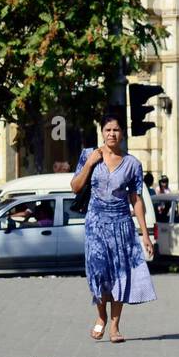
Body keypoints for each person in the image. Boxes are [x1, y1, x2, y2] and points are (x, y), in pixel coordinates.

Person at [70, 111, 156, 343]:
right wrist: (89, 164)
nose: (111, 134)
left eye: (116, 130)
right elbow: (75, 187)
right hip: (96, 224)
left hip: (122, 226)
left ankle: (115, 327)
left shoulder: (132, 164)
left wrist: (145, 235)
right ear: (102, 132)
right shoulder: (89, 155)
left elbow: (136, 200)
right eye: (107, 130)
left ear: (122, 134)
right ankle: (101, 317)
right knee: (98, 273)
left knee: (120, 275)